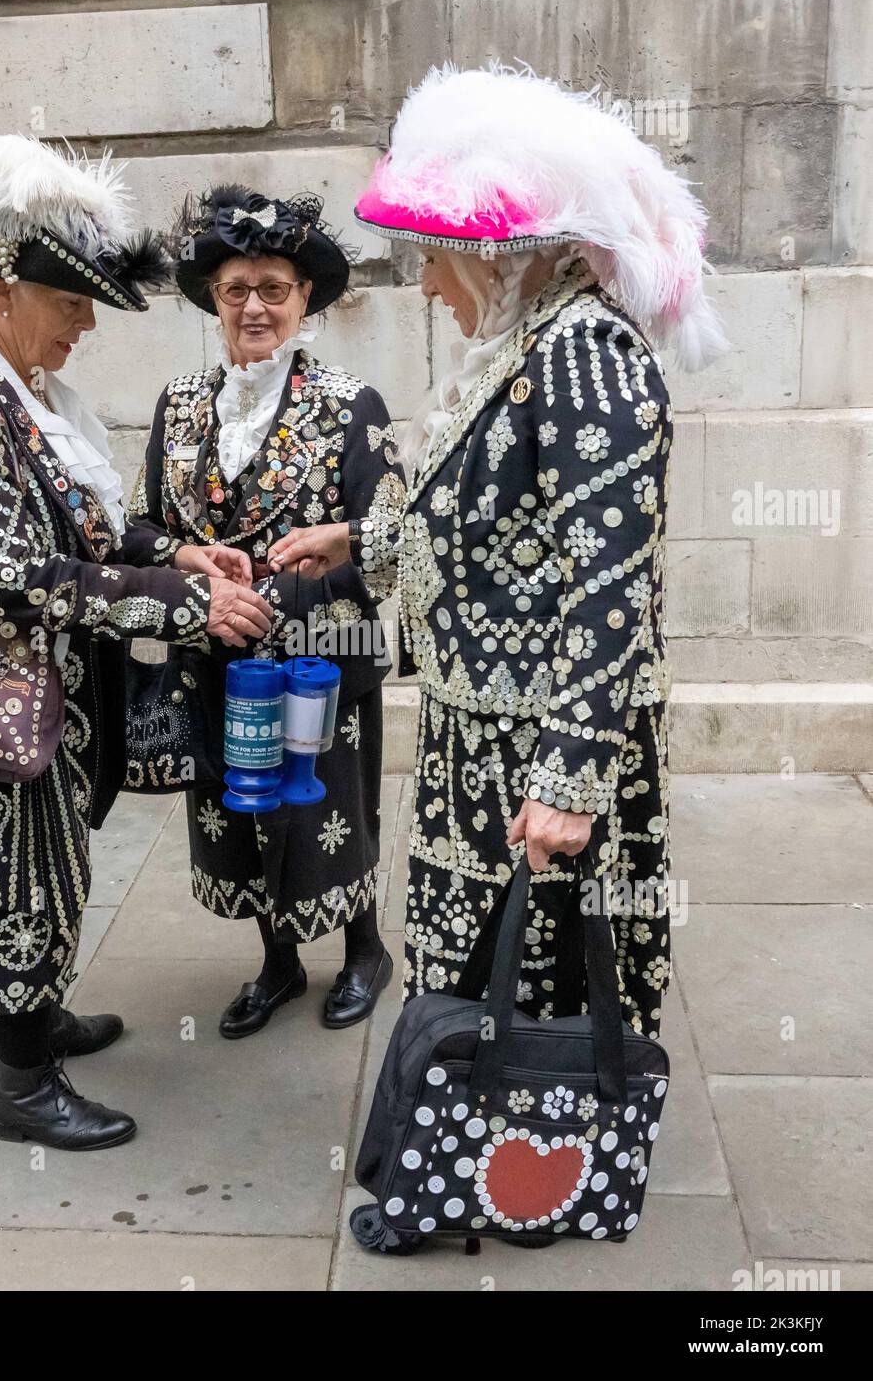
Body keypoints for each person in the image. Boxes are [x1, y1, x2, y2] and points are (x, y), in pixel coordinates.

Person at [268, 64, 727, 1252]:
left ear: (507, 253)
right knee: (479, 958)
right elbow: (477, 517)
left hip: (542, 752)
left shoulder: (585, 357)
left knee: (537, 965)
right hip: (482, 733)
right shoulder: (521, 350)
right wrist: (358, 539)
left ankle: (527, 1165)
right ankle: (473, 1149)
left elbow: (606, 584)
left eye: (436, 256)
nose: (425, 280)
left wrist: (569, 781)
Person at [0, 136, 271, 1151]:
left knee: (48, 866)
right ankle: (22, 1082)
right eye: (71, 304)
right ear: (6, 289)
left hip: (36, 692)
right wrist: (184, 608)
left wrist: (178, 553)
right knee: (7, 874)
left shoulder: (16, 393)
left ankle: (39, 1018)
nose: (85, 325)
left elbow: (85, 529)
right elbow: (21, 578)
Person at [129, 184, 407, 1037]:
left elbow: (392, 534)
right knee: (239, 813)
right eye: (235, 290)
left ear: (304, 299)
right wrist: (188, 569)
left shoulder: (351, 403)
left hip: (322, 657)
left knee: (330, 811)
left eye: (273, 289)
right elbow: (137, 527)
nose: (254, 306)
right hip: (214, 654)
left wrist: (300, 576)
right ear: (213, 301)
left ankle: (364, 952)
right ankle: (279, 962)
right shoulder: (176, 406)